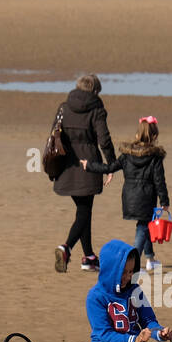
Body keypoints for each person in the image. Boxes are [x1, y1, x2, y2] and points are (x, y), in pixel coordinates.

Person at [79, 115, 170, 271]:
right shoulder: (155, 158)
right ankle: (133, 265)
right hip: (146, 198)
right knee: (142, 227)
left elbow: (109, 168)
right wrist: (164, 202)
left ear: (137, 135)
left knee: (146, 225)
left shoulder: (127, 155)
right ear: (154, 136)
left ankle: (150, 259)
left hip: (129, 198)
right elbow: (159, 181)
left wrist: (90, 166)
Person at [51, 74, 116, 273]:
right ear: (95, 91)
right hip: (88, 166)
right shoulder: (97, 110)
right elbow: (104, 139)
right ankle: (66, 247)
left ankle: (89, 258)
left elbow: (54, 136)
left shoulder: (63, 107)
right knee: (84, 211)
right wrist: (111, 164)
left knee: (83, 210)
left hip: (67, 166)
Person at [86, 239, 172, 342]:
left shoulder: (135, 291)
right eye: (123, 272)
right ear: (110, 271)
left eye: (131, 271)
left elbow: (148, 321)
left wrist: (159, 333)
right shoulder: (95, 297)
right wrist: (135, 340)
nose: (128, 277)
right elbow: (104, 334)